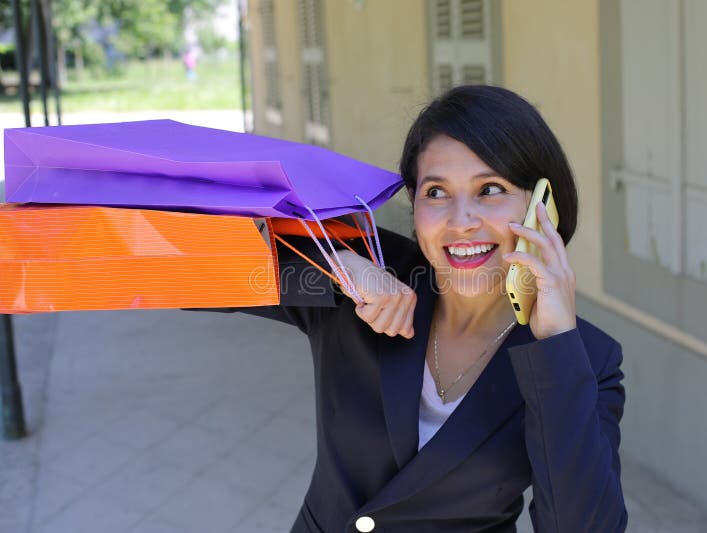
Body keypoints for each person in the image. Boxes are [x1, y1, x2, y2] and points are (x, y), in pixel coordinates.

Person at [224, 85, 627, 532]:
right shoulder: (369, 277)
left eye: (490, 189)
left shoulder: (584, 358)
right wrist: (335, 262)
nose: (460, 220)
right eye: (436, 192)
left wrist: (554, 346)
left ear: (542, 208)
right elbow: (182, 274)